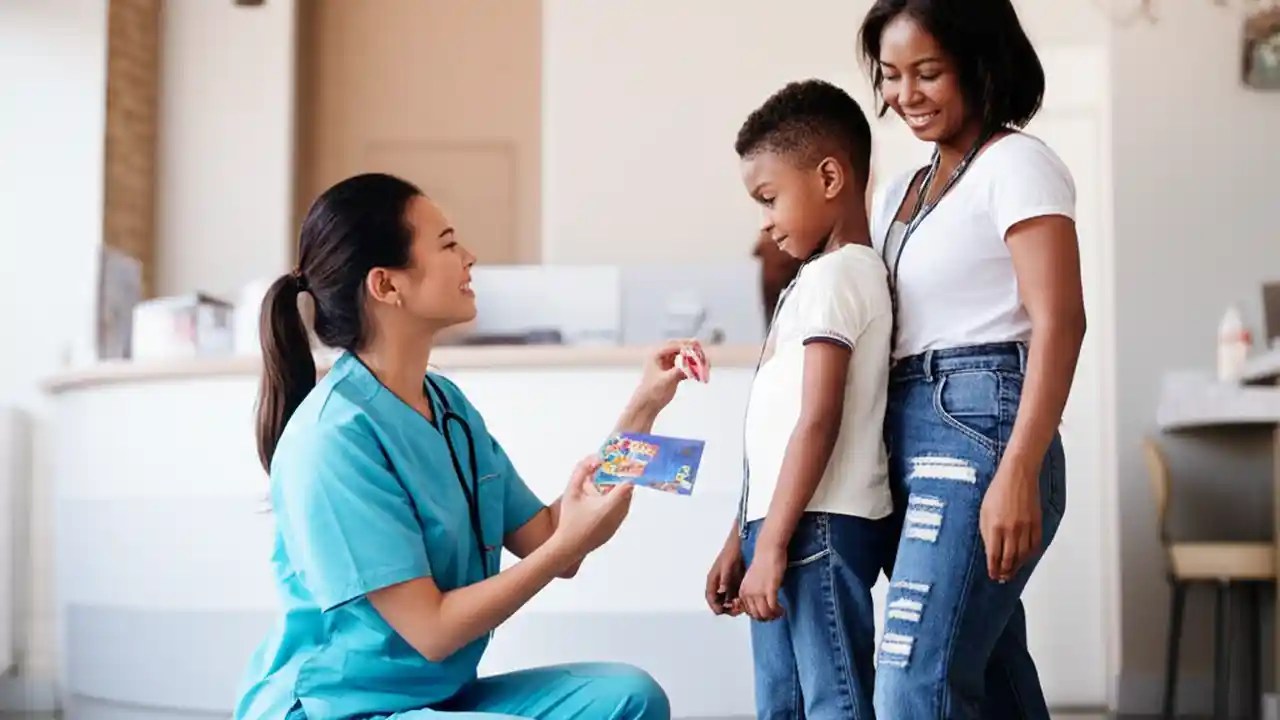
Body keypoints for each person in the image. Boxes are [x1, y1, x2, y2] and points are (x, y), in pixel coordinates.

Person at [233, 172, 686, 720]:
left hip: (434, 699)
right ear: (386, 285)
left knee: (632, 699)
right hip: (342, 709)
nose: (468, 257)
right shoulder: (331, 440)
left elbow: (546, 535)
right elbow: (433, 629)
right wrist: (566, 547)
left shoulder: (445, 405)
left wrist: (644, 409)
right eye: (447, 244)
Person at [858, 1, 1087, 717]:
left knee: (912, 681)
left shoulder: (1017, 164)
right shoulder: (901, 189)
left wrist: (1021, 466)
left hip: (982, 430)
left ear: (981, 64)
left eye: (928, 72)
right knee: (988, 677)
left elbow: (1061, 321)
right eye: (891, 76)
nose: (905, 95)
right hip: (903, 432)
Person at [704, 79, 897, 719]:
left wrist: (774, 543)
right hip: (788, 524)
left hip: (816, 527)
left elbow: (818, 420)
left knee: (832, 699)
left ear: (830, 177)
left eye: (769, 198)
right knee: (783, 704)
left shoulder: (840, 275)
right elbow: (777, 427)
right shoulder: (821, 277)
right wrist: (743, 538)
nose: (765, 220)